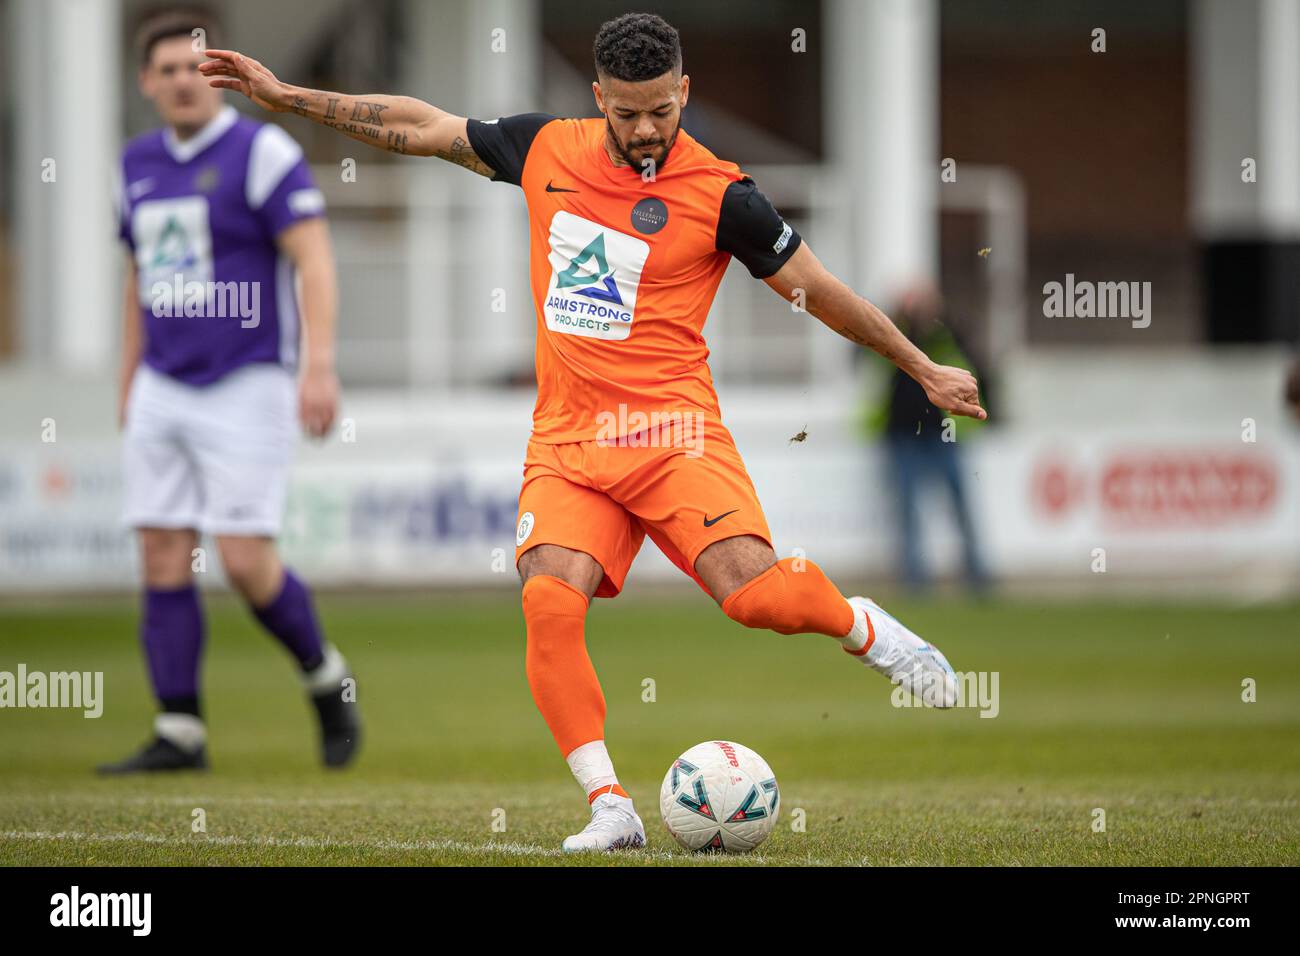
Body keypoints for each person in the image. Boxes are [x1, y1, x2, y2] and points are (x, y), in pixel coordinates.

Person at [200, 11, 985, 849]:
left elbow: (821, 291)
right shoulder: (545, 149)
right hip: (569, 442)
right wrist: (289, 98)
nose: (646, 130)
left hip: (675, 436)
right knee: (548, 601)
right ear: (598, 96)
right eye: (627, 112)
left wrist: (921, 367)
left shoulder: (726, 196)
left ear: (683, 92)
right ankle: (610, 805)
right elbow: (422, 125)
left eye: (661, 110)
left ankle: (864, 628)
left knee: (756, 599)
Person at [101, 8, 359, 774]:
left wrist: (319, 364)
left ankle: (326, 677)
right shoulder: (135, 164)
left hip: (247, 381)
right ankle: (180, 730)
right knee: (161, 550)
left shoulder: (263, 152)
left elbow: (313, 259)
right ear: (147, 81)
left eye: (196, 67)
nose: (183, 81)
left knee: (245, 562)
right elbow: (138, 277)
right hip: (162, 385)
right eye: (168, 70)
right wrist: (128, 377)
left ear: (216, 76)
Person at [871, 281, 991, 592]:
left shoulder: (945, 335)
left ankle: (977, 576)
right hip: (902, 436)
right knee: (908, 511)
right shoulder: (889, 336)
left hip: (943, 436)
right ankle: (916, 579)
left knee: (960, 506)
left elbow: (974, 367)